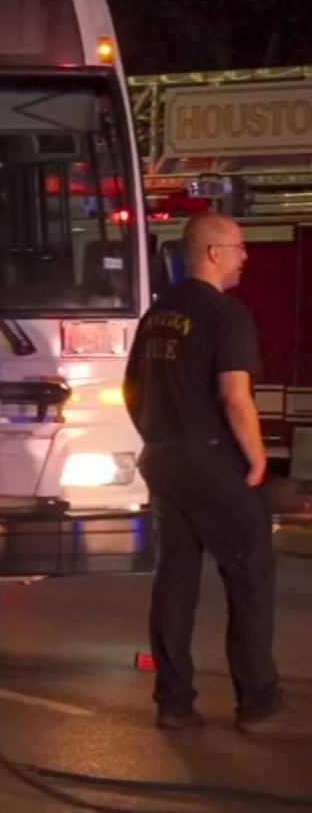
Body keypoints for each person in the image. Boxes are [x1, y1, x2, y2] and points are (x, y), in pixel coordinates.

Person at [124, 211, 302, 734]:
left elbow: (133, 391)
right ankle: (259, 705)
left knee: (175, 583)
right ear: (213, 253)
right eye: (240, 247)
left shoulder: (157, 315)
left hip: (165, 460)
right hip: (213, 462)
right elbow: (234, 397)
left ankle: (174, 703)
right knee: (251, 579)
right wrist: (257, 458)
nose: (247, 257)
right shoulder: (226, 315)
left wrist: (156, 439)